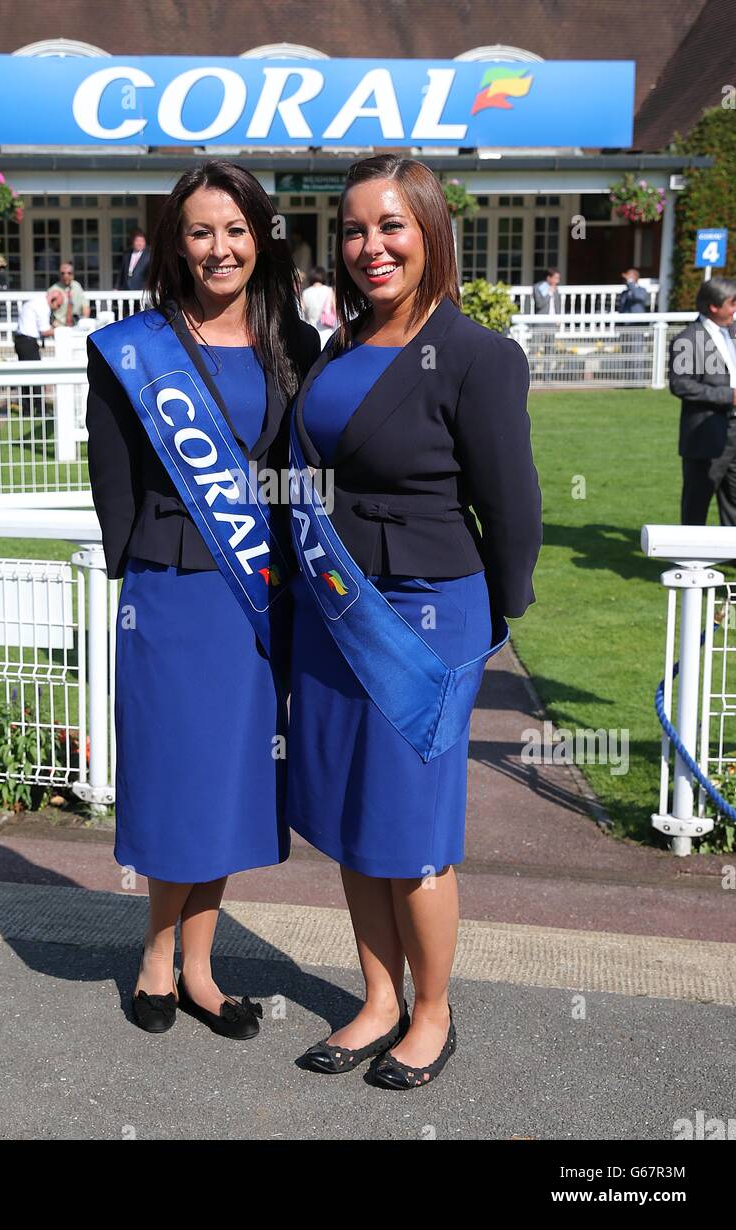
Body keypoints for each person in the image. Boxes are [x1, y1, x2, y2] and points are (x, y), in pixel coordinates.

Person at [286, 154, 542, 1090]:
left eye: (390, 226)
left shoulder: (477, 356)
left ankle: (431, 1013)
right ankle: (377, 998)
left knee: (412, 827)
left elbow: (513, 509)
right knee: (353, 815)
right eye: (354, 229)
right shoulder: (336, 352)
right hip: (333, 607)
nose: (369, 247)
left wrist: (490, 622)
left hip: (423, 619)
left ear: (429, 231)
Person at [85, 160, 319, 1039]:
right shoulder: (132, 348)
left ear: (259, 236)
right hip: (171, 595)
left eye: (234, 229)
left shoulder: (295, 344)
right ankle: (155, 954)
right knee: (173, 778)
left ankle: (200, 970)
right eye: (199, 231)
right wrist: (140, 574)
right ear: (174, 243)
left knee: (228, 781)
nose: (219, 248)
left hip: (257, 594)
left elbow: (304, 473)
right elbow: (112, 481)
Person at [669, 277, 736, 525]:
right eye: (732, 303)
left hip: (734, 432)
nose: (735, 309)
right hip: (706, 434)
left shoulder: (732, 332)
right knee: (696, 505)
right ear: (714, 307)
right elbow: (680, 384)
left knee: (734, 503)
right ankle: (690, 561)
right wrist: (729, 396)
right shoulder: (687, 339)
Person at [14, 288, 54, 418]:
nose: (57, 308)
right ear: (53, 299)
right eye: (58, 305)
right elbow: (45, 330)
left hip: (20, 341)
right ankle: (40, 410)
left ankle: (27, 409)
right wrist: (61, 329)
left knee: (25, 376)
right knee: (37, 376)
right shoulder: (43, 306)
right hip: (28, 342)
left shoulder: (35, 301)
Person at [299, 266, 336, 342]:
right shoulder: (329, 291)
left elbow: (302, 312)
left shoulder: (306, 292)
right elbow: (335, 310)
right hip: (327, 331)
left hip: (310, 332)